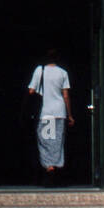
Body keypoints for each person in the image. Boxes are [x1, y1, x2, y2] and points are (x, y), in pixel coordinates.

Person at [27, 48, 73, 183]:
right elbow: (66, 95)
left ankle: (49, 167)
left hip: (46, 111)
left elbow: (31, 91)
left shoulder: (39, 70)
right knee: (57, 142)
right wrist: (70, 115)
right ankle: (57, 166)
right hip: (60, 111)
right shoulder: (63, 72)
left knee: (46, 141)